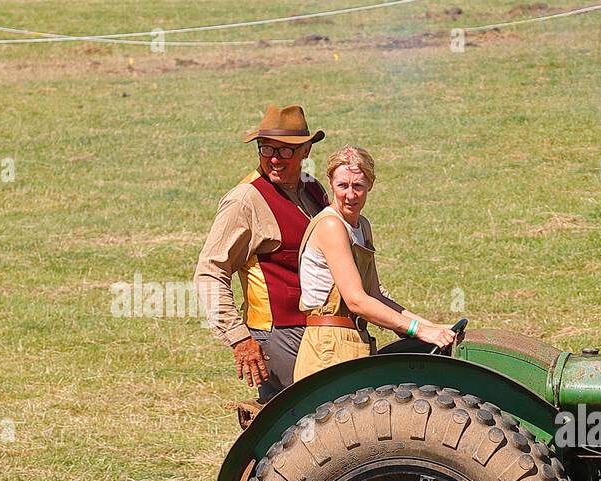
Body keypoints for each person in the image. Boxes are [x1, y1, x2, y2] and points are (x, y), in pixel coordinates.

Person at [195, 104, 328, 413]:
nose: (273, 159)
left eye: (284, 151)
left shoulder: (313, 189)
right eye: (265, 149)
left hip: (322, 329)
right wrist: (239, 338)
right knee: (308, 421)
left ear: (306, 150)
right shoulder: (244, 200)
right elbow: (210, 271)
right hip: (278, 335)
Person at [294, 146, 455, 380]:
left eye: (358, 186)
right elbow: (357, 301)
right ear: (330, 183)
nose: (350, 195)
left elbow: (374, 295)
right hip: (328, 346)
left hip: (354, 338)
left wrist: (433, 328)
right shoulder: (331, 226)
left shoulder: (362, 226)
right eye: (342, 186)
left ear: (370, 184)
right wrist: (417, 330)